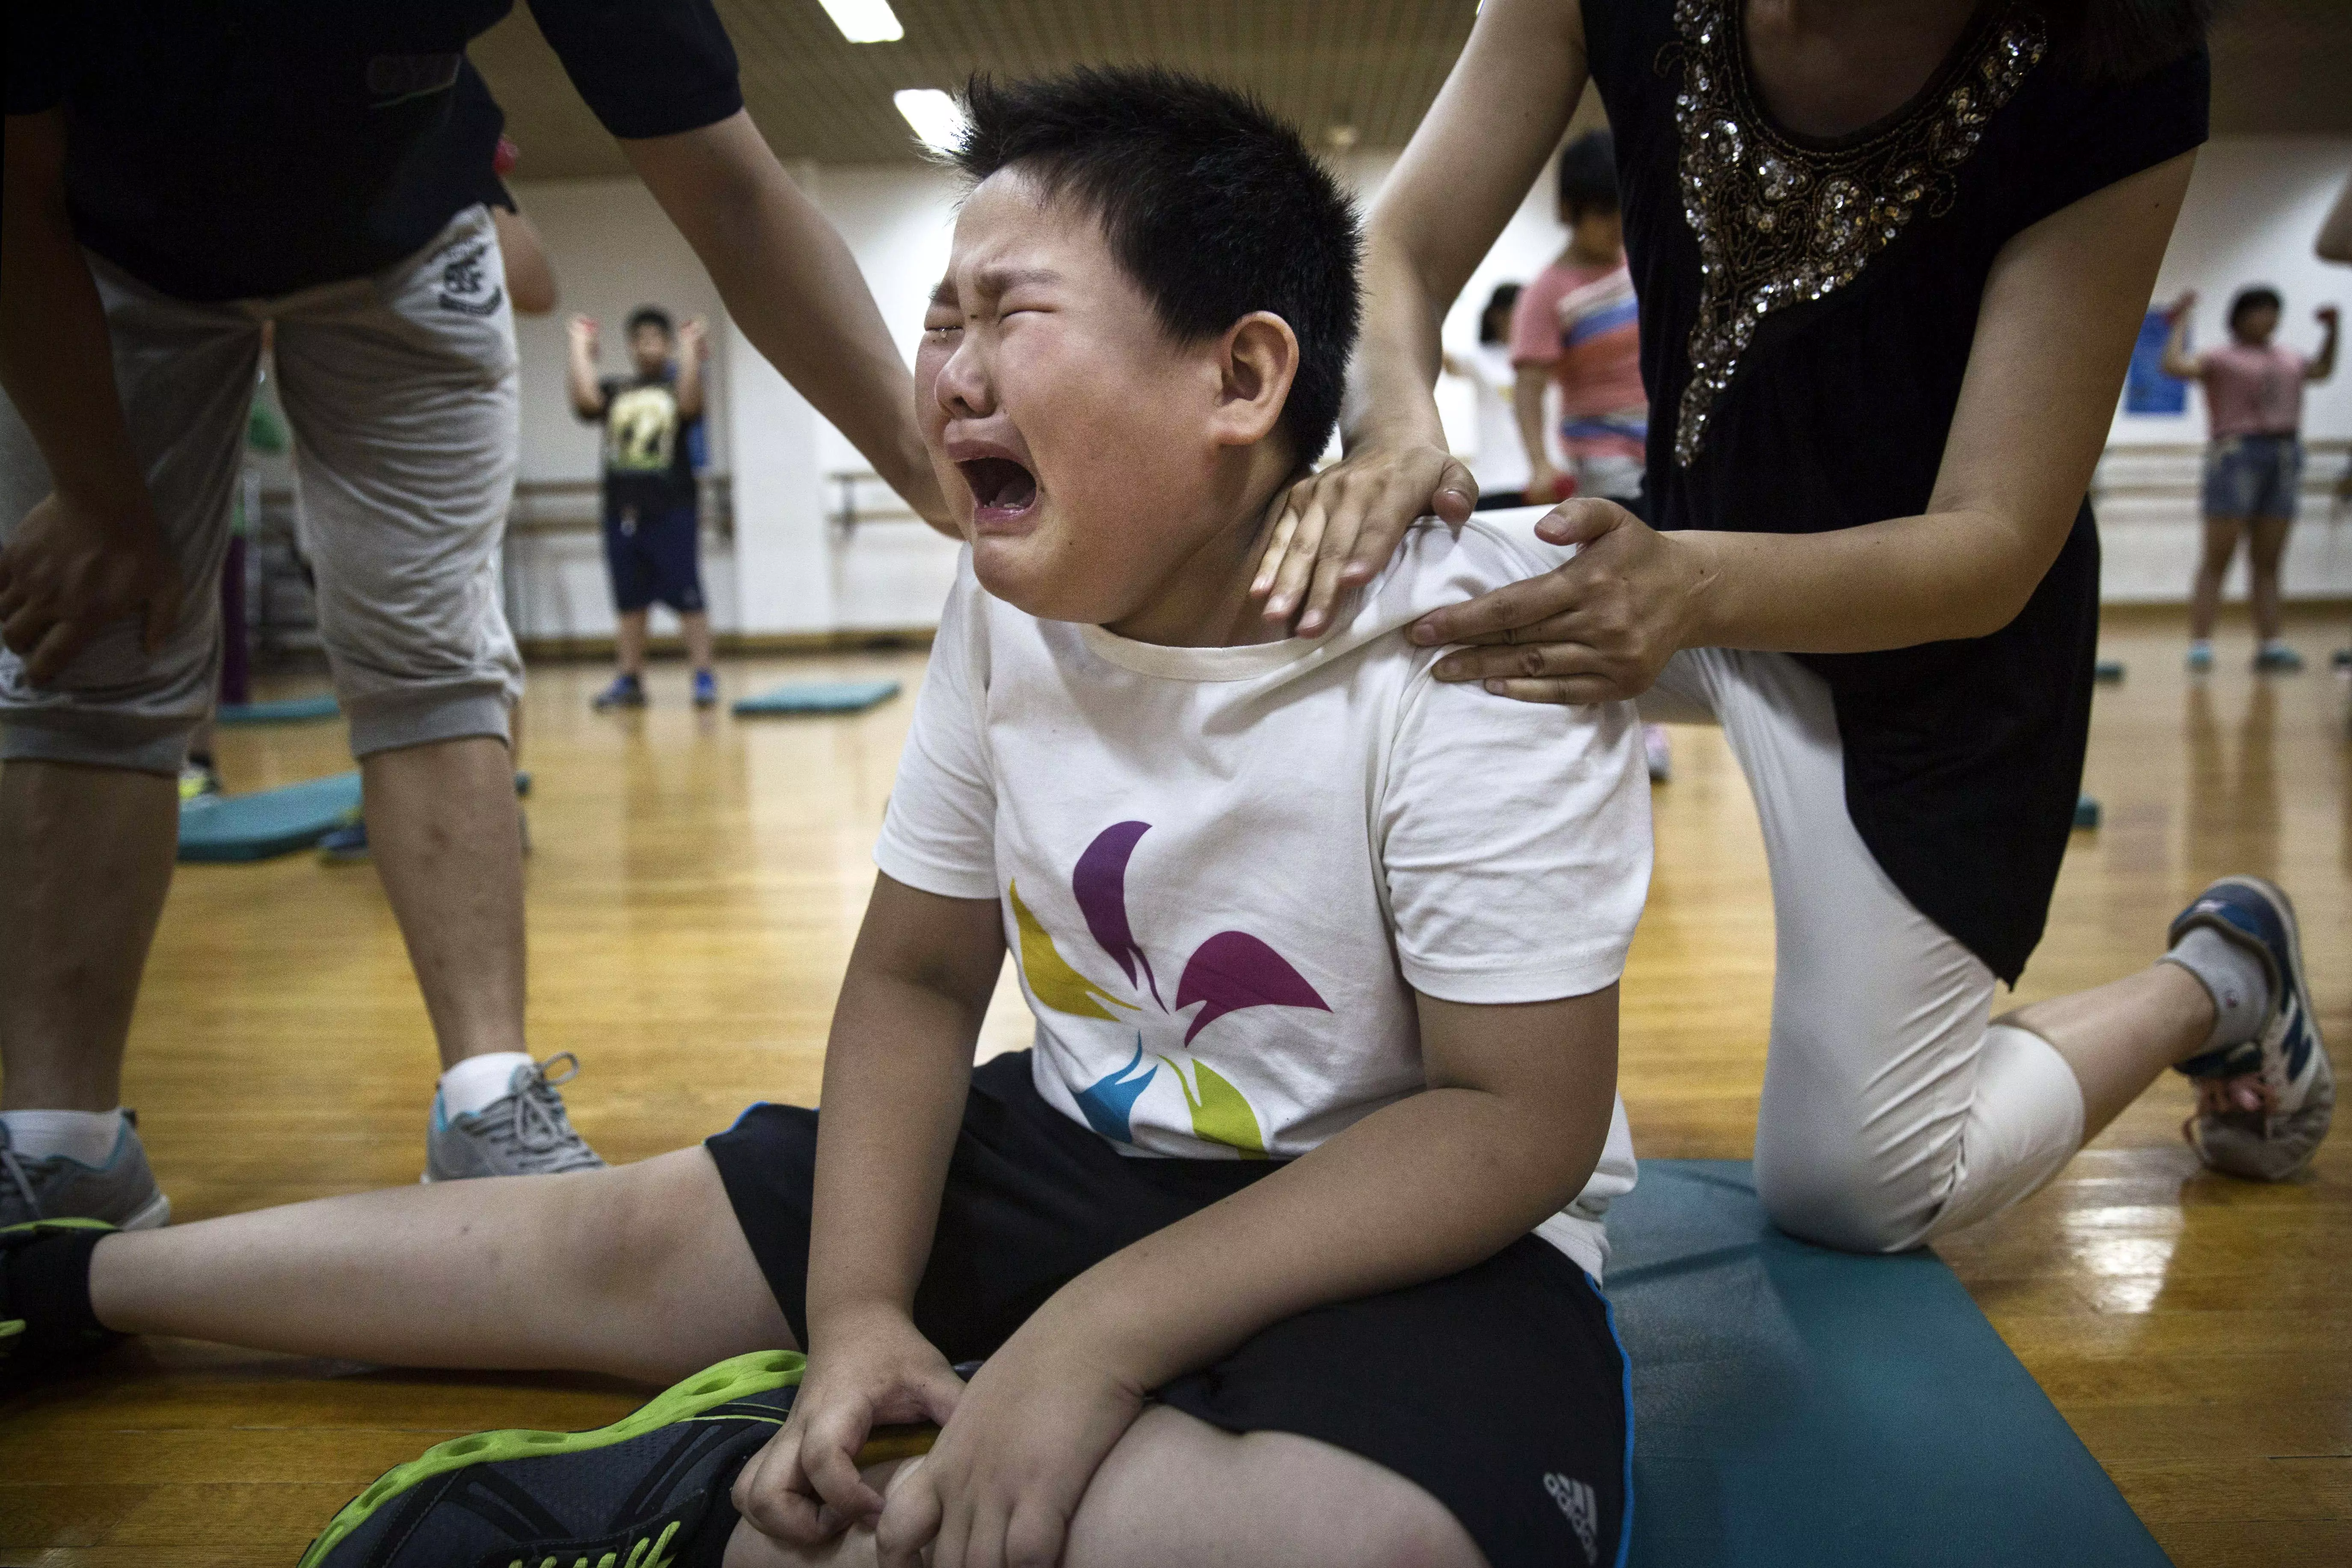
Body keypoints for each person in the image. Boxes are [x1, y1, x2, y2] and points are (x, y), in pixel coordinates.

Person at [1, 70, 1650, 1568]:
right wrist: (855, 1311)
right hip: (1075, 1157)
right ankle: (74, 1279)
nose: (949, 373)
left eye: (1007, 313)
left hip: (1411, 1235)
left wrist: (1097, 1335)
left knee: (1357, 1547)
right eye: (938, 319)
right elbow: (919, 983)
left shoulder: (1479, 629)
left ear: (1241, 373)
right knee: (624, 1236)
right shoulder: (1007, 602)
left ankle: (678, 1515)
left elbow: (1508, 1122)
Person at [1251, 0, 2331, 1251]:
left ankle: (2220, 979)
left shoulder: (2102, 65)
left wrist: (1689, 590)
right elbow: (1398, 245)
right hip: (1677, 548)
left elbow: (1988, 541)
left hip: (1925, 657)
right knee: (1329, 600)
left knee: (1857, 1188)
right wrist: (1394, 437)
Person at [0, 1, 949, 1225]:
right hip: (96, 243)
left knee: (433, 657)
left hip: (407, 241)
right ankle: (57, 1144)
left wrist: (918, 464)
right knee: (88, 638)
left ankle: (487, 1099)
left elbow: (735, 192)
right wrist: (97, 493)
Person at [2162, 286, 2340, 674]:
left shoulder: (2289, 357)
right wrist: (2182, 321)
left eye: (2275, 311)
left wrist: (2333, 331)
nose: (2269, 318)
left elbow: (2322, 370)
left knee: (2269, 561)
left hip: (2284, 456)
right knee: (2218, 558)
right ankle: (2200, 645)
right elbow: (2174, 365)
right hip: (2235, 455)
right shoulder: (2219, 357)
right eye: (2261, 311)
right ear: (2241, 316)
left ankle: (2271, 645)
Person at [572, 305, 721, 710]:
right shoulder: (619, 389)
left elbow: (692, 406)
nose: (647, 347)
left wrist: (691, 350)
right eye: (640, 340)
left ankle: (704, 675)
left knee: (688, 596)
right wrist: (579, 346)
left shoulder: (675, 389)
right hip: (621, 511)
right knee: (629, 602)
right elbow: (585, 403)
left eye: (656, 339)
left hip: (672, 509)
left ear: (667, 345)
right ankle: (629, 679)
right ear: (632, 347)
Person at [1509, 130, 1646, 510]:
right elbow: (1528, 387)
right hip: (1601, 452)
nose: (1618, 223)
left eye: (1624, 207)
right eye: (1604, 212)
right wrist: (1539, 464)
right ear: (1569, 210)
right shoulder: (1547, 293)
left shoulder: (1639, 265)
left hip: (1662, 440)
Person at [1440, 283, 1532, 509]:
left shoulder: (1545, 360)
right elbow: (1444, 359)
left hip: (1546, 479)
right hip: (1497, 481)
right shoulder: (1480, 358)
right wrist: (1439, 303)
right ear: (1496, 315)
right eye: (1519, 310)